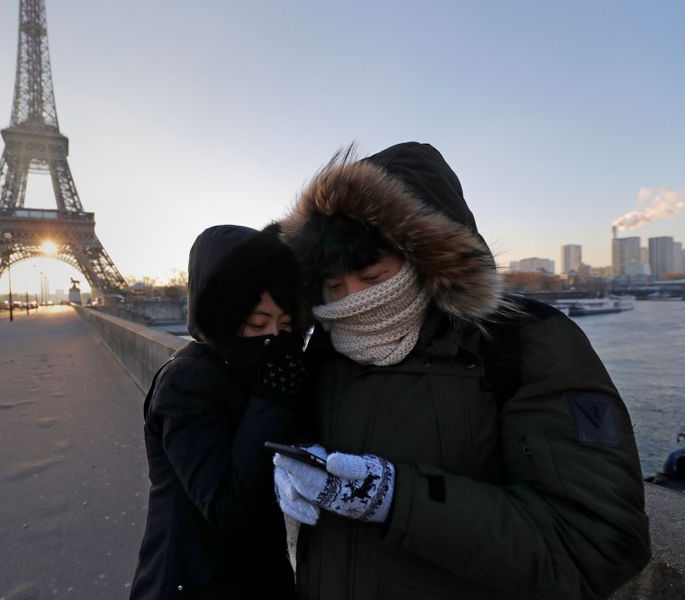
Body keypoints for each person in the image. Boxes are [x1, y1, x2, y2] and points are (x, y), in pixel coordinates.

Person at [272, 142, 652, 599]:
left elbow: (594, 545)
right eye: (334, 286)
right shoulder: (327, 348)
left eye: (372, 277)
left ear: (427, 257)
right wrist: (296, 458)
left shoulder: (523, 343)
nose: (352, 300)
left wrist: (396, 498)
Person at [130, 224, 309, 599]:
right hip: (191, 582)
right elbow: (226, 506)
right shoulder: (186, 382)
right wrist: (274, 400)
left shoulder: (255, 370)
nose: (274, 336)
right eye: (257, 323)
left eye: (286, 324)